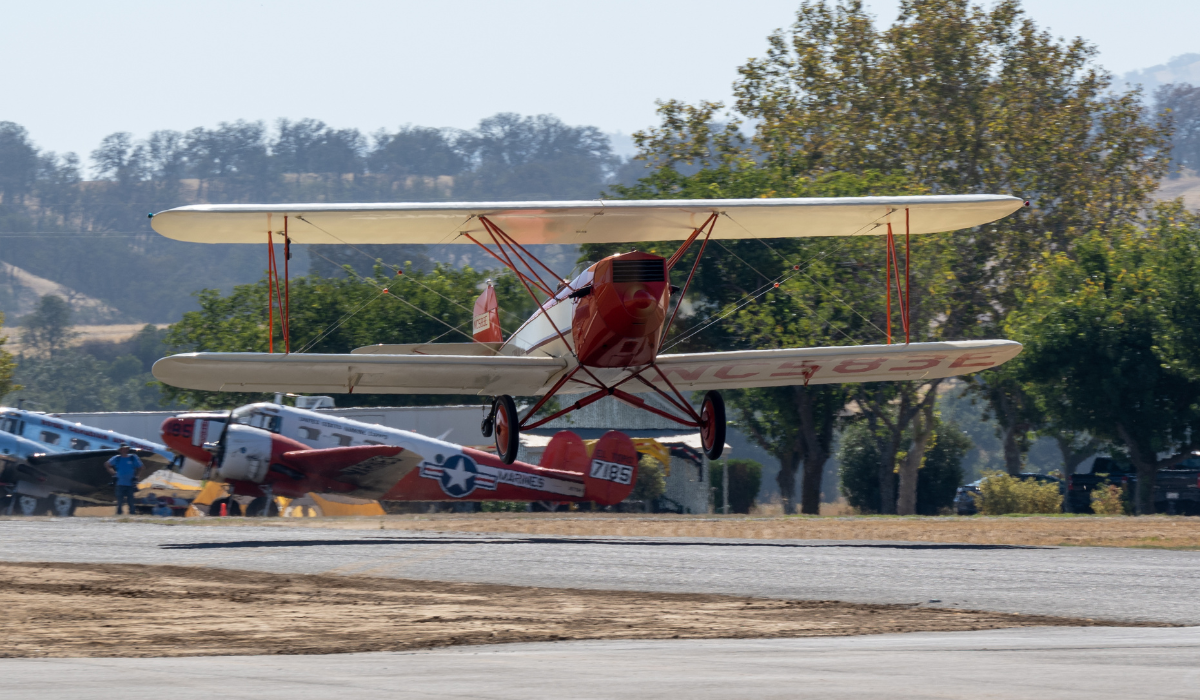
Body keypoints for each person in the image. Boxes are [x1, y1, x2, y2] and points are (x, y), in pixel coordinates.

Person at [105, 443, 143, 515]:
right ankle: (119, 514)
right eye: (123, 449)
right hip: (120, 483)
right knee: (119, 501)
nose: (124, 450)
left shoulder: (133, 457)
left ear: (128, 449)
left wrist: (137, 477)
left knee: (131, 501)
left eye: (126, 449)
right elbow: (107, 464)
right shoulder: (117, 458)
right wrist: (113, 473)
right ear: (120, 450)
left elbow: (141, 467)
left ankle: (132, 514)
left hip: (130, 484)